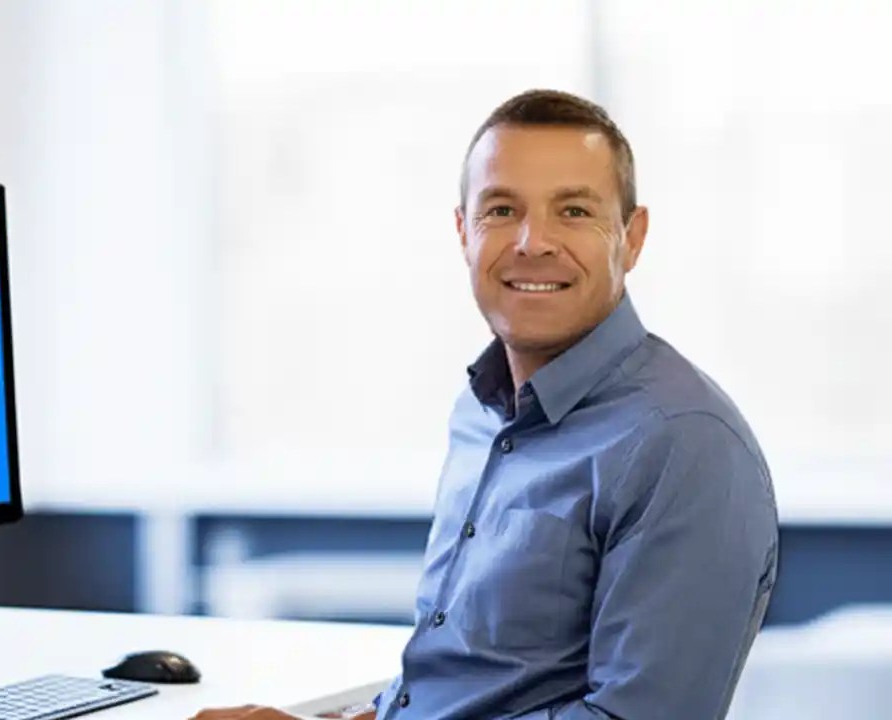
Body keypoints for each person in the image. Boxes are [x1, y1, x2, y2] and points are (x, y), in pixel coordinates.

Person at [189, 88, 779, 720]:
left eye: (574, 211)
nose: (532, 241)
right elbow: (470, 692)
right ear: (464, 231)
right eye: (501, 210)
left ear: (632, 239)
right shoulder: (482, 414)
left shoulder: (685, 445)